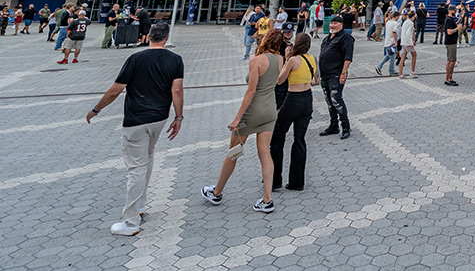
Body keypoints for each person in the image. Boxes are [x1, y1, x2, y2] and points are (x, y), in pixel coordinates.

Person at [86, 21, 184, 236]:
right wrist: (178, 117)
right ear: (166, 38)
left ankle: (130, 222)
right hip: (159, 118)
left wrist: (96, 109)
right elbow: (176, 91)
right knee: (147, 159)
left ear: (149, 37)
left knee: (136, 168)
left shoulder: (136, 58)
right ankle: (140, 207)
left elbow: (115, 90)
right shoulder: (175, 59)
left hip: (136, 120)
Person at [203, 29, 283, 214]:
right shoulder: (280, 60)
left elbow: (251, 91)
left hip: (252, 112)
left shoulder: (256, 61)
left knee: (233, 153)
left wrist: (238, 117)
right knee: (265, 153)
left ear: (265, 40)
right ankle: (267, 199)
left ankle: (217, 192)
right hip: (270, 110)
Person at [271, 32, 318, 192]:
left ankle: (274, 180)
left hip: (293, 99)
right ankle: (297, 182)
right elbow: (316, 81)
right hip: (307, 99)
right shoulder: (312, 59)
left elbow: (279, 80)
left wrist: (286, 58)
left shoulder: (292, 60)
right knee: (299, 139)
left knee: (277, 137)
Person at [319, 15, 354, 138]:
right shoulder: (327, 38)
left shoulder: (346, 38)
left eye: (335, 23)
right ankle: (333, 126)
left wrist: (343, 73)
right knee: (329, 102)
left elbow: (348, 57)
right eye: (331, 23)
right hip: (325, 75)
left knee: (337, 101)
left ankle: (345, 126)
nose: (332, 25)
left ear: (341, 25)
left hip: (336, 74)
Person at [375, 11, 399, 76]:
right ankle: (391, 71)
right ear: (396, 16)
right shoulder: (395, 23)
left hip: (387, 42)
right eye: (398, 17)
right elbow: (394, 32)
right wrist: (396, 42)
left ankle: (379, 66)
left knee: (388, 56)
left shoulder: (388, 22)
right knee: (392, 58)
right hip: (392, 42)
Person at [397, 9, 418, 79]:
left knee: (402, 58)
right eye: (414, 17)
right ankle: (413, 71)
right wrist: (411, 42)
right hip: (408, 43)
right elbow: (408, 33)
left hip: (403, 42)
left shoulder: (405, 22)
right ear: (412, 17)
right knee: (414, 55)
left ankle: (400, 74)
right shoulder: (410, 23)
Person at [443, 7, 461, 87]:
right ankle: (448, 78)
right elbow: (449, 32)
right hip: (451, 42)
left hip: (451, 42)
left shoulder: (450, 19)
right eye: (454, 10)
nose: (455, 11)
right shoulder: (449, 20)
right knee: (452, 60)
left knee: (450, 60)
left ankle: (448, 78)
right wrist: (457, 28)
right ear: (450, 11)